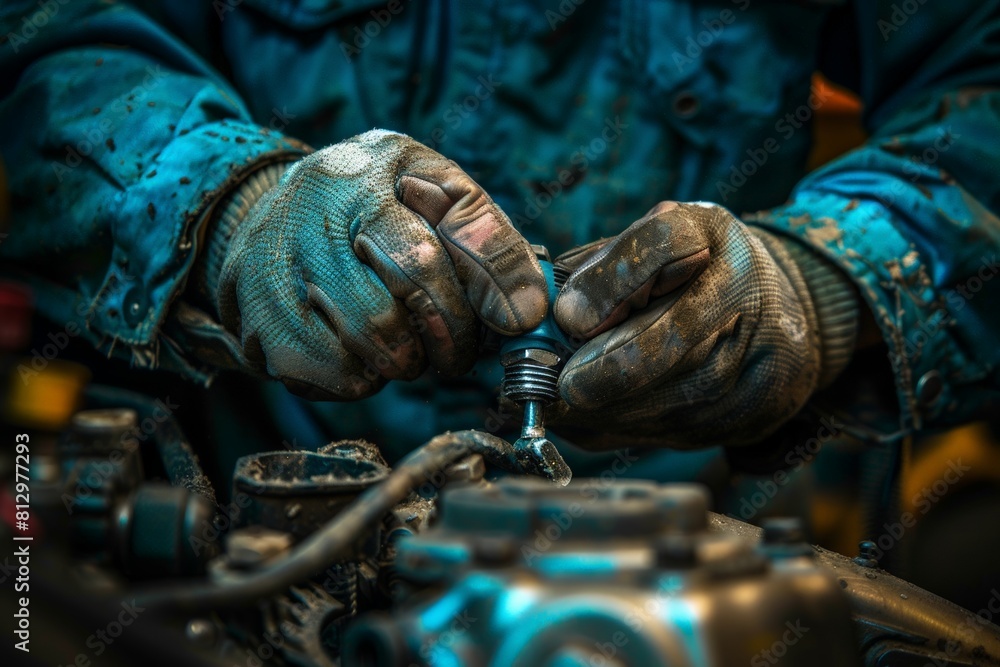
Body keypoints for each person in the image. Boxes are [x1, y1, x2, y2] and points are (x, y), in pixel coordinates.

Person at [1, 0, 998, 478]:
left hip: (705, 528)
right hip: (243, 495)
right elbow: (48, 31)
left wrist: (829, 279)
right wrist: (225, 209)